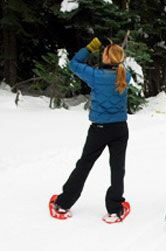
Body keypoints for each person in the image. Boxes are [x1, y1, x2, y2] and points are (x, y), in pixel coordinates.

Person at [49, 37, 132, 224]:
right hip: (120, 128)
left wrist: (91, 46)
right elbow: (118, 68)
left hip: (99, 130)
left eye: (104, 53)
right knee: (117, 168)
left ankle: (63, 203)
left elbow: (74, 63)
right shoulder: (125, 75)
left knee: (84, 165)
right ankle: (115, 209)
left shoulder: (96, 76)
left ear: (107, 58)